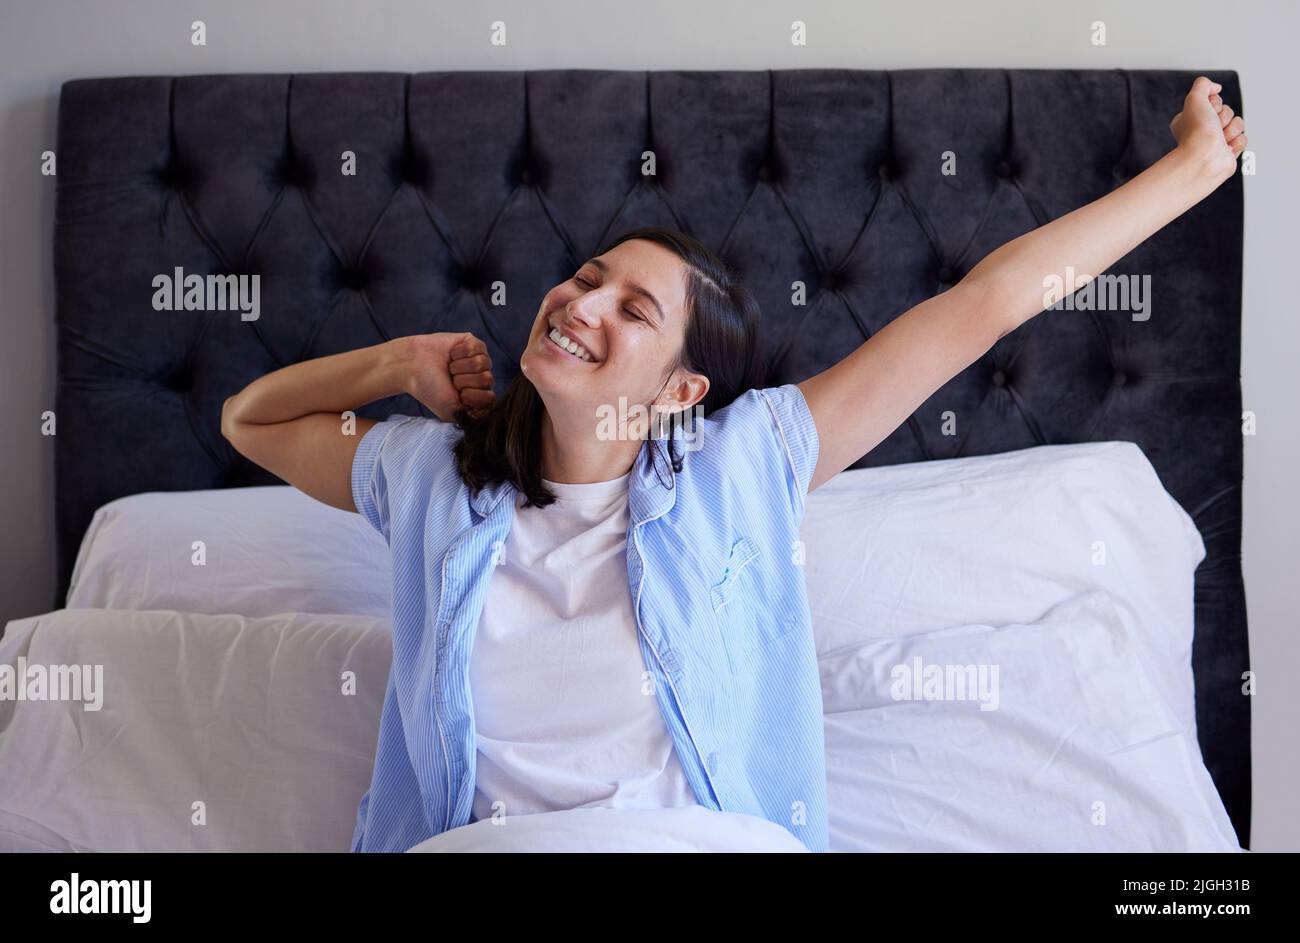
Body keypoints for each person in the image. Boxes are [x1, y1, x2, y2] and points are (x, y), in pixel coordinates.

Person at [221, 77, 1245, 852]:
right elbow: (249, 422)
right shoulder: (433, 475)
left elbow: (976, 308)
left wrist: (1187, 173)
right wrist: (396, 361)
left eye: (632, 310)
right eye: (586, 278)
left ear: (679, 393)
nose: (577, 304)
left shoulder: (742, 464)